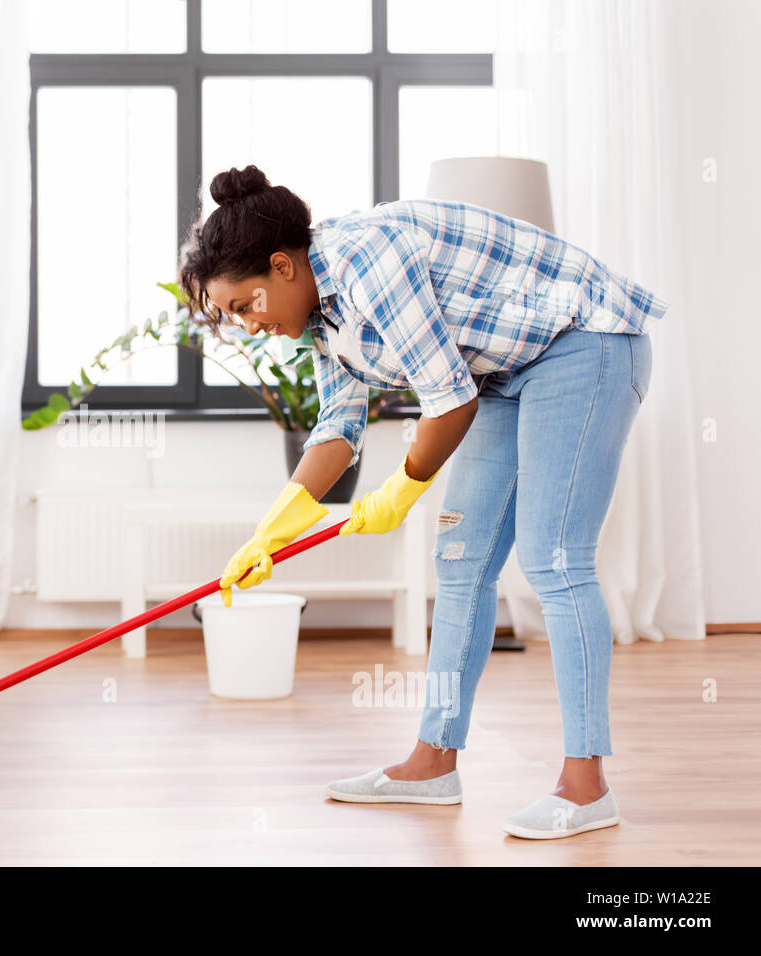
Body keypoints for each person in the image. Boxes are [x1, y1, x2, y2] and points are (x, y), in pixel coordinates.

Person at [176, 164, 665, 839]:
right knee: (462, 560)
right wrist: (271, 531)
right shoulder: (319, 317)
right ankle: (433, 761)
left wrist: (401, 489)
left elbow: (447, 399)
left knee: (555, 558)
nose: (246, 326)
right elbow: (339, 430)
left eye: (243, 305)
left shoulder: (368, 260)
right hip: (502, 371)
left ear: (283, 267)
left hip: (585, 342)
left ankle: (586, 787)